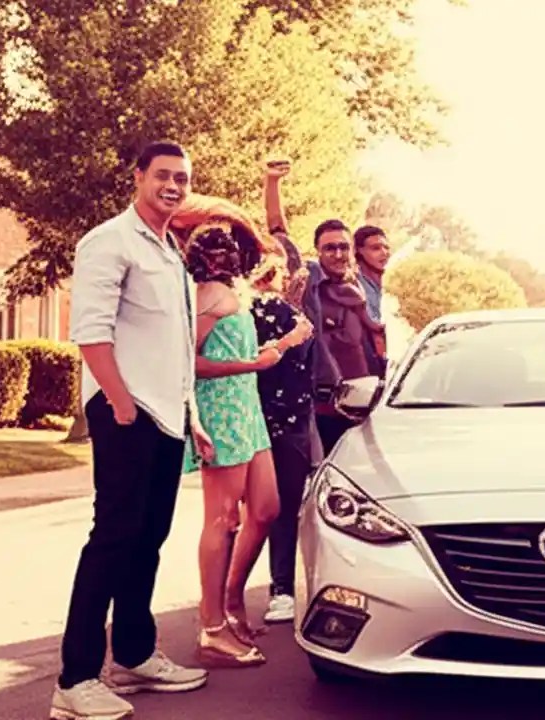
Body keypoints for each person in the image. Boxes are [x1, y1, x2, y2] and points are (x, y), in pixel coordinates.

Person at [54, 141, 212, 720]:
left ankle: (136, 653)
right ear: (139, 176)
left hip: (166, 416)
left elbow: (171, 347)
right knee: (114, 538)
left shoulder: (172, 252)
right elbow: (91, 332)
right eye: (163, 175)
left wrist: (190, 417)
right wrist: (120, 405)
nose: (173, 185)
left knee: (150, 537)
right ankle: (74, 680)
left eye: (183, 178)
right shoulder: (109, 241)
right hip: (128, 412)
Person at [183, 221, 304, 668]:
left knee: (267, 508)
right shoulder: (208, 294)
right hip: (223, 413)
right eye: (216, 249)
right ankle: (211, 629)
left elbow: (237, 355)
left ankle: (232, 601)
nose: (226, 254)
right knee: (221, 519)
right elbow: (187, 362)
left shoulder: (231, 293)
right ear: (202, 256)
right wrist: (252, 363)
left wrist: (275, 350)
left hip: (248, 411)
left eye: (230, 247)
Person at [256, 158, 320, 625]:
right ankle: (234, 595)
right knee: (254, 509)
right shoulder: (248, 308)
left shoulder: (305, 289)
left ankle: (282, 587)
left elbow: (278, 227)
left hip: (298, 417)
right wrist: (270, 181)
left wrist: (273, 183)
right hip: (257, 414)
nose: (279, 265)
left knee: (285, 506)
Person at [305, 219, 384, 454]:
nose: (338, 254)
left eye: (344, 247)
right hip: (330, 410)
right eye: (330, 248)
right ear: (317, 251)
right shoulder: (312, 291)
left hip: (368, 405)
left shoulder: (357, 290)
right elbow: (279, 236)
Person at [353, 224, 391, 374]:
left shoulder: (390, 282)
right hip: (370, 363)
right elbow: (376, 325)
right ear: (359, 251)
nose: (384, 253)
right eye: (376, 248)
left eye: (386, 248)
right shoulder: (356, 284)